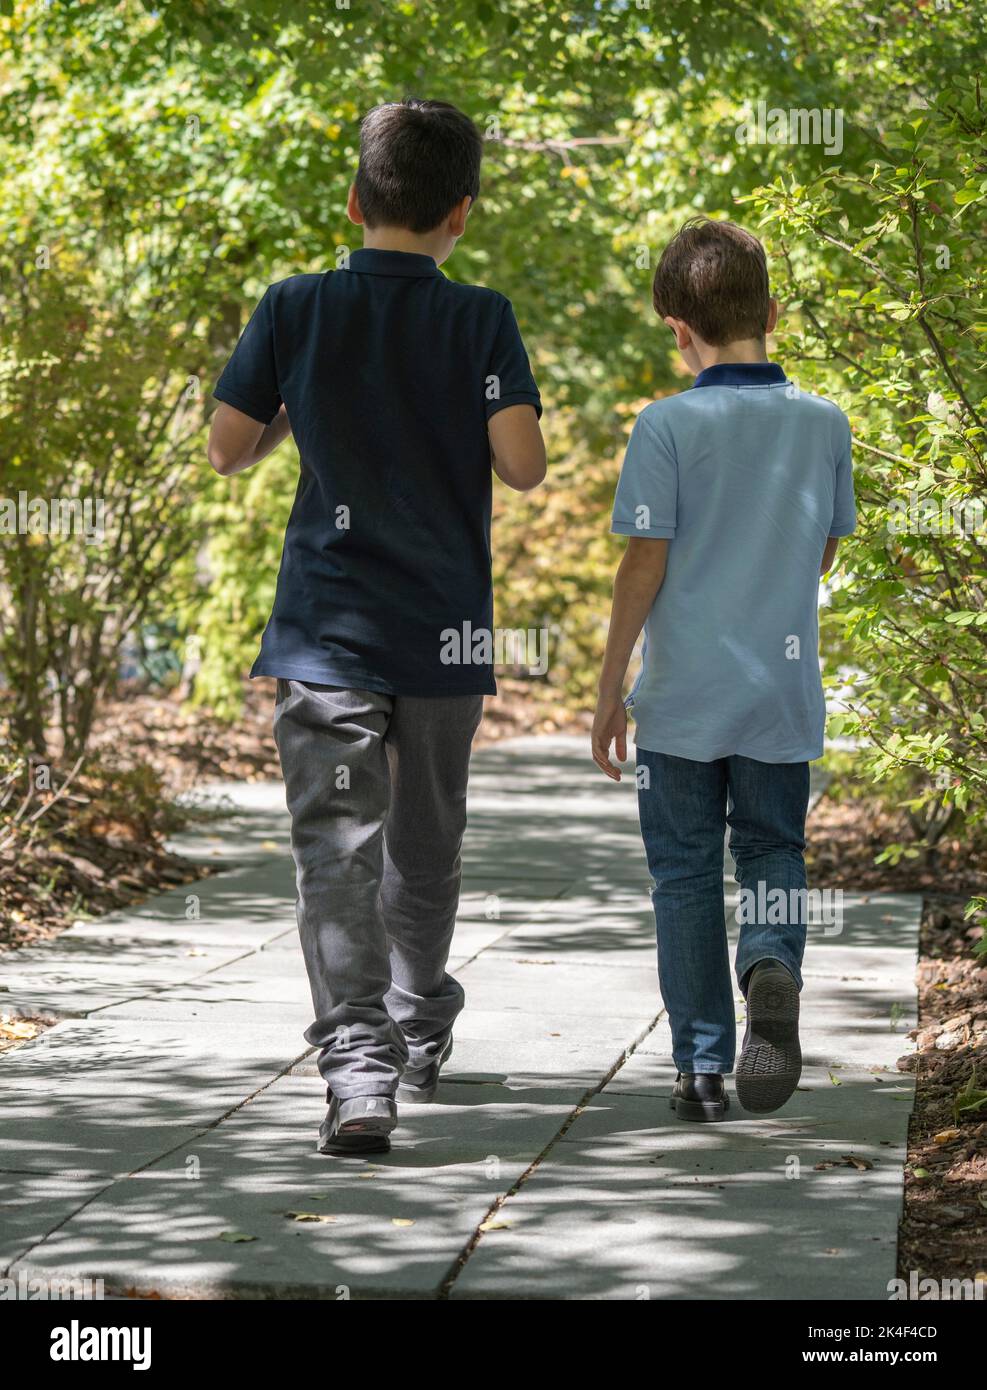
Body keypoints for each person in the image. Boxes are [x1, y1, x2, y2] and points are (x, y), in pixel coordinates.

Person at [207, 99, 545, 1154]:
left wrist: (303, 402)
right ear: (464, 214)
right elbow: (525, 467)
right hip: (443, 635)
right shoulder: (481, 315)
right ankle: (413, 1021)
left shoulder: (294, 306)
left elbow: (227, 447)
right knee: (425, 841)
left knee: (336, 850)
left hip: (326, 631)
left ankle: (360, 1067)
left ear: (355, 201)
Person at [592, 217, 854, 1121]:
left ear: (676, 327)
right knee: (774, 848)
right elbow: (820, 553)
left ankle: (700, 1070)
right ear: (772, 313)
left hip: (680, 702)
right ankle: (773, 959)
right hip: (778, 695)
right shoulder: (823, 422)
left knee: (685, 870)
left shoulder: (663, 425)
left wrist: (606, 690)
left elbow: (643, 565)